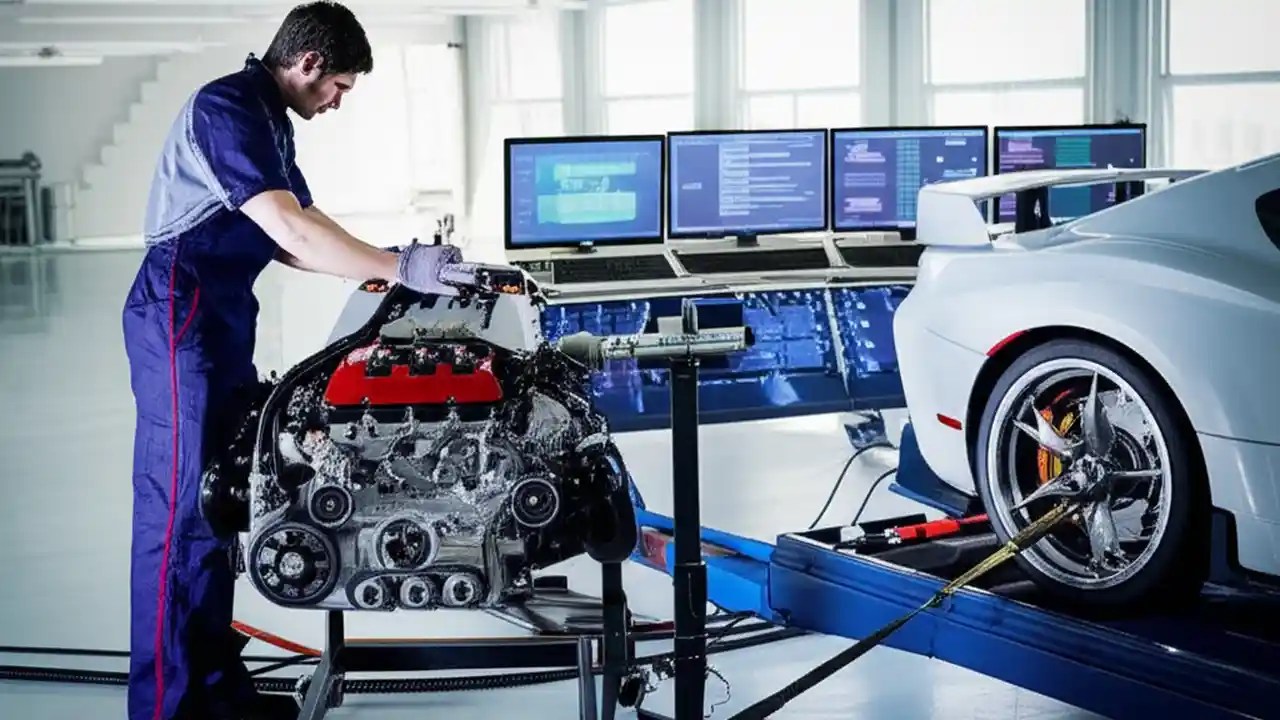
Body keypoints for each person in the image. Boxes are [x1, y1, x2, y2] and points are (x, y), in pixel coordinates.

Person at [121, 3, 460, 719]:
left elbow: (301, 227)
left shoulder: (267, 117)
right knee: (178, 515)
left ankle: (216, 693)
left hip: (218, 318)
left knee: (219, 506)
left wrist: (389, 264)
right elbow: (290, 232)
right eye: (339, 85)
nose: (337, 101)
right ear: (309, 63)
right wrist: (400, 268)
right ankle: (168, 709)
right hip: (179, 311)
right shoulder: (225, 108)